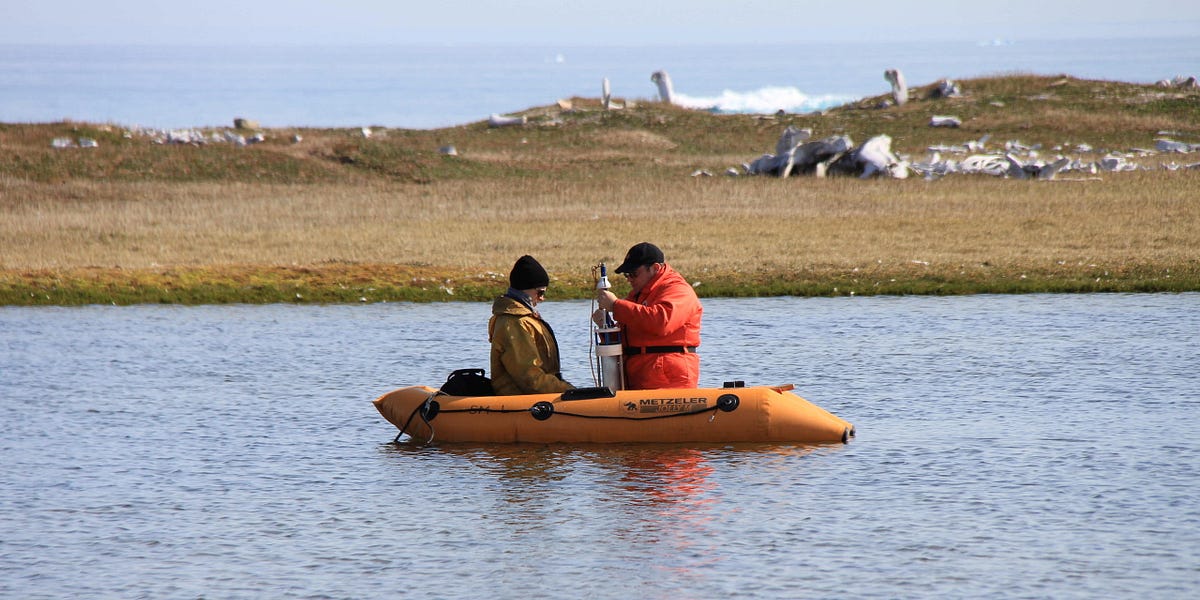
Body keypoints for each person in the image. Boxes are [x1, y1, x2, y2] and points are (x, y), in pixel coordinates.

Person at [596, 242, 703, 389]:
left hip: (668, 382)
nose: (629, 279)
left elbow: (661, 323)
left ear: (655, 268)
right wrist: (605, 326)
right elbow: (628, 338)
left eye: (634, 274)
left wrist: (616, 306)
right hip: (640, 379)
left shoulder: (678, 290)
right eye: (627, 275)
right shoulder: (637, 295)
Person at [489, 255, 574, 395]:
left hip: (538, 397)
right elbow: (530, 377)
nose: (542, 298)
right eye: (540, 292)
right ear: (525, 289)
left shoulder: (526, 319)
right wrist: (569, 391)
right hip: (519, 399)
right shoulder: (514, 323)